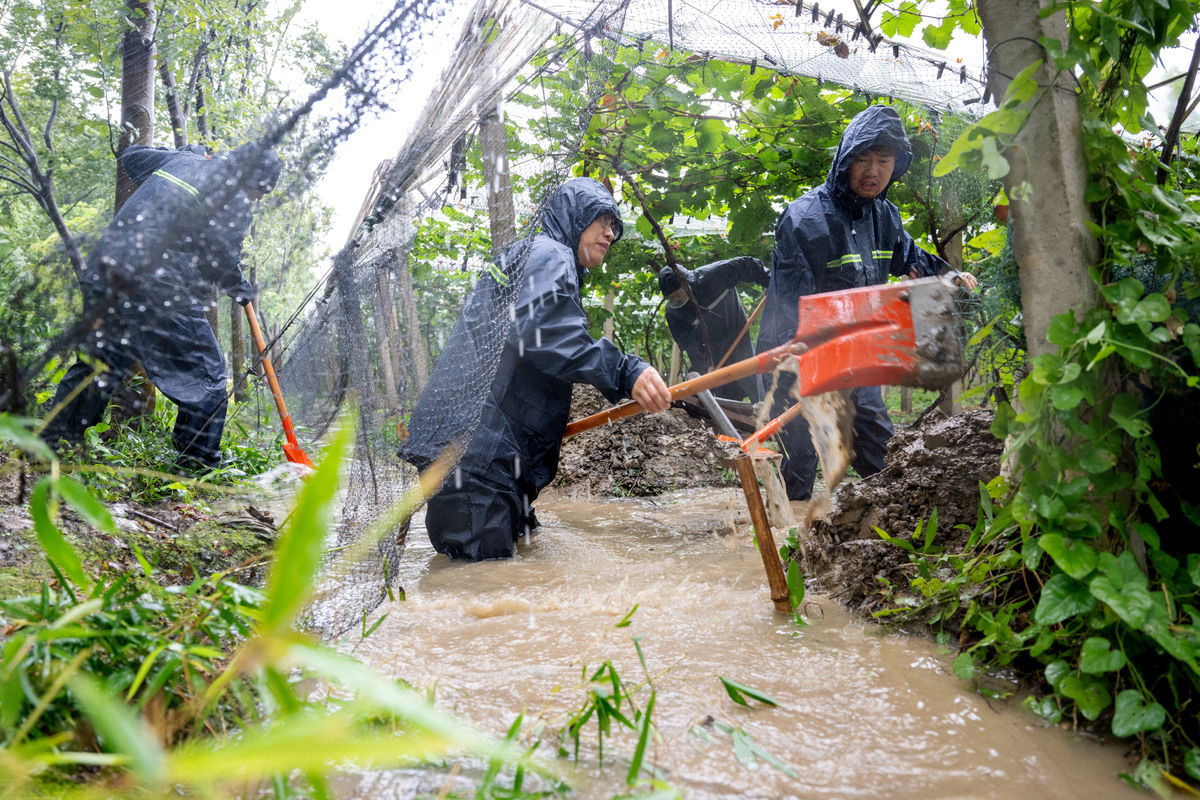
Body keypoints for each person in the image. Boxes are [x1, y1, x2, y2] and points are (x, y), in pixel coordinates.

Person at [401, 177, 672, 561]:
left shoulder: (539, 257)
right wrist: (626, 371)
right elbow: (543, 333)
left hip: (488, 455)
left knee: (516, 564)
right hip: (479, 455)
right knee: (480, 585)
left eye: (615, 225)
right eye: (602, 220)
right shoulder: (548, 254)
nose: (610, 233)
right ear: (575, 217)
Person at [756, 105, 977, 500]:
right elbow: (793, 304)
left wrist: (950, 276)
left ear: (896, 166)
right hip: (800, 360)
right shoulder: (805, 218)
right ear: (845, 159)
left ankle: (888, 539)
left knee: (883, 458)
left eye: (884, 161)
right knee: (798, 471)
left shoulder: (886, 217)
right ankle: (786, 548)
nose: (873, 170)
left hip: (858, 359)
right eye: (863, 158)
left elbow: (912, 260)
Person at [42, 141, 282, 472]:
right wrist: (240, 288)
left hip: (104, 272)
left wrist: (185, 152)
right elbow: (221, 260)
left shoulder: (181, 162)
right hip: (157, 288)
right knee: (207, 377)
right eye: (260, 190)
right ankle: (198, 466)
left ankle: (54, 443)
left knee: (100, 365)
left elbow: (132, 157)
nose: (256, 198)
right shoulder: (234, 200)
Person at [658, 257, 770, 402]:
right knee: (721, 384)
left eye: (678, 294)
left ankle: (761, 409)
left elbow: (746, 264)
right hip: (712, 346)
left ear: (687, 284)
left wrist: (768, 280)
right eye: (671, 298)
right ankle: (736, 417)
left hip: (734, 328)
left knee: (748, 372)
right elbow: (689, 344)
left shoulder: (711, 277)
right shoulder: (674, 313)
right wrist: (704, 367)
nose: (676, 300)